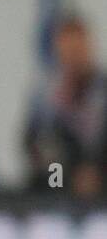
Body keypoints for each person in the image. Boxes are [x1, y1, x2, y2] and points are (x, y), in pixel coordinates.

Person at [24, 13, 107, 198]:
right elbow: (32, 143)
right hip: (60, 182)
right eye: (67, 51)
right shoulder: (46, 97)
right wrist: (68, 174)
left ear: (88, 47)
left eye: (77, 50)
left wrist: (95, 172)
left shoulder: (103, 89)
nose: (73, 58)